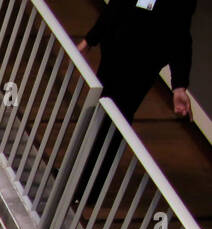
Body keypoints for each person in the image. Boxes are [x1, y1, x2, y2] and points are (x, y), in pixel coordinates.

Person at [73, 0, 195, 203]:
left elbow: (180, 35)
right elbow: (120, 5)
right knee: (98, 113)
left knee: (114, 124)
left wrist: (179, 86)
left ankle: (89, 188)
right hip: (115, 51)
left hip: (141, 66)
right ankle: (75, 175)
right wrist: (91, 39)